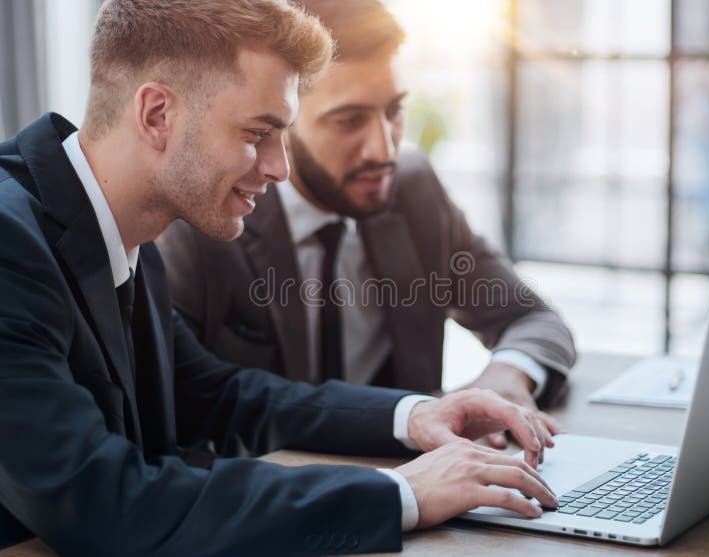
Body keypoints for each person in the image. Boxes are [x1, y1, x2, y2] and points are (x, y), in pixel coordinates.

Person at [0, 1, 560, 556]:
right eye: (257, 133)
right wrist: (400, 492)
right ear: (156, 115)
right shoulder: (10, 242)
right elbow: (106, 503)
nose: (279, 168)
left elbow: (217, 395)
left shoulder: (120, 224)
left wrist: (413, 415)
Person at [157, 1, 577, 458]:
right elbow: (182, 413)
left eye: (394, 111)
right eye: (349, 120)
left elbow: (532, 317)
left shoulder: (412, 191)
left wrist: (507, 376)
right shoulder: (204, 223)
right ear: (282, 120)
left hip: (429, 486)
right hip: (280, 501)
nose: (384, 149)